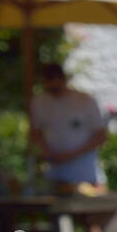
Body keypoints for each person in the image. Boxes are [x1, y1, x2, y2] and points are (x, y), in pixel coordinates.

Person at [28, 63, 107, 194]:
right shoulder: (39, 102)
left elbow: (100, 136)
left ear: (63, 80)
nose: (53, 91)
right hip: (54, 172)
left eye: (56, 87)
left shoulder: (84, 100)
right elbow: (35, 133)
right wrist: (46, 152)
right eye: (49, 87)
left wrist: (71, 155)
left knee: (85, 209)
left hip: (83, 172)